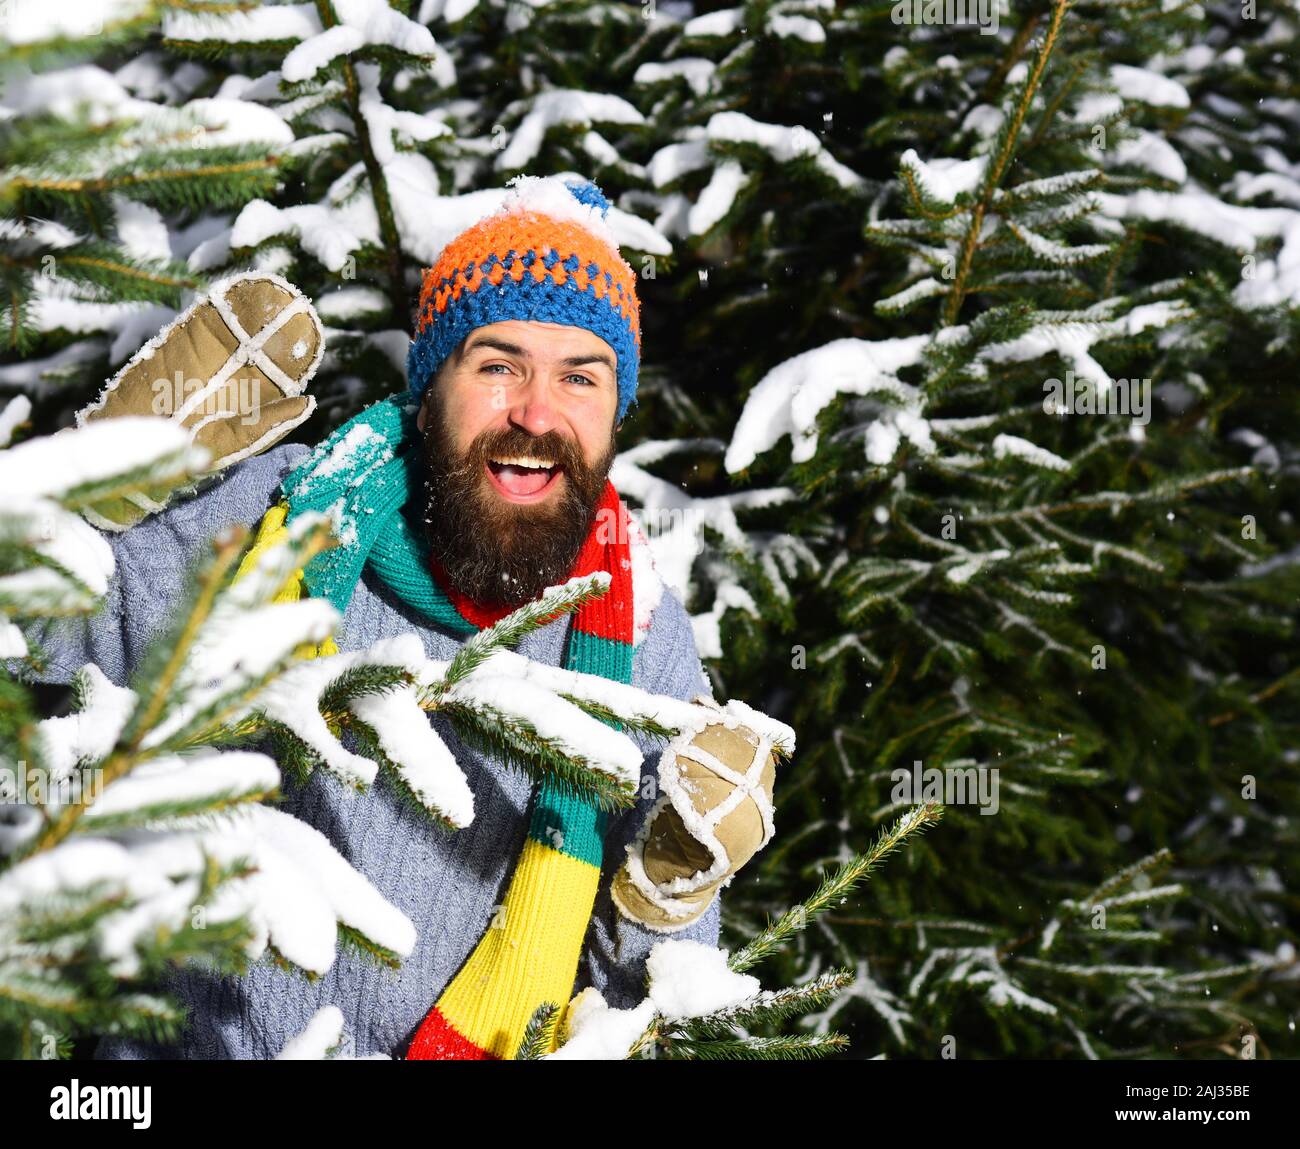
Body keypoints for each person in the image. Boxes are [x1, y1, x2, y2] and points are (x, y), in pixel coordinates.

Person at [22, 175, 773, 1060]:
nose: (537, 411)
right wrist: (81, 499)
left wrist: (665, 890)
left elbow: (643, 1008)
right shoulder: (288, 511)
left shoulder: (643, 641)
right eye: (498, 365)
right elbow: (41, 645)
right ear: (432, 385)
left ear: (616, 412)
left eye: (581, 376)